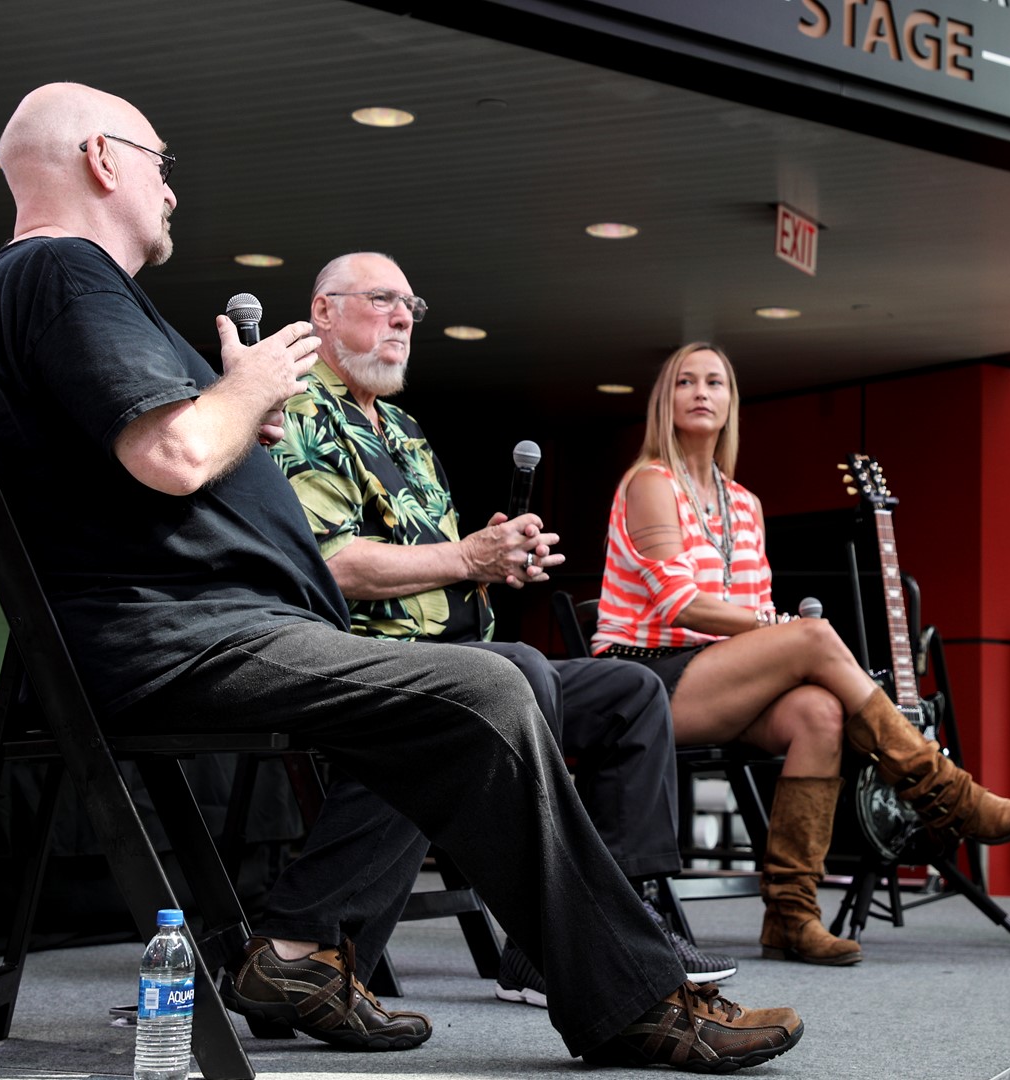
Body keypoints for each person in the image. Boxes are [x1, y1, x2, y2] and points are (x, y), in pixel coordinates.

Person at [0, 83, 801, 1070]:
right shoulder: (64, 271)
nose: (172, 192)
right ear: (104, 161)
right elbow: (174, 458)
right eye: (162, 163)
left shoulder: (62, 285)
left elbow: (169, 456)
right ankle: (632, 997)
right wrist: (246, 393)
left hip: (213, 629)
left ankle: (301, 951)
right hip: (179, 640)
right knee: (485, 684)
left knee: (493, 680)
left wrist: (246, 421)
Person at [264, 251, 739, 1005]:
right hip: (366, 664)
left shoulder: (406, 431)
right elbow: (336, 566)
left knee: (632, 691)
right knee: (516, 670)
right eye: (383, 300)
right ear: (323, 311)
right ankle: (578, 940)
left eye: (410, 308)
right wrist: (465, 555)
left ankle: (581, 928)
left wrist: (490, 561)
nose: (401, 320)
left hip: (462, 656)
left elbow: (432, 564)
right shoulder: (295, 409)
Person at [591, 342, 1010, 967]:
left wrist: (772, 631)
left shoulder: (744, 504)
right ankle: (950, 796)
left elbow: (755, 610)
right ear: (663, 402)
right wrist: (776, 630)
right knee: (811, 636)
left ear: (731, 403)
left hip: (718, 678)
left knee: (819, 713)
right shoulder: (649, 483)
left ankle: (791, 915)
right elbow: (680, 605)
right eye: (685, 382)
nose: (701, 392)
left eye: (716, 383)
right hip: (640, 677)